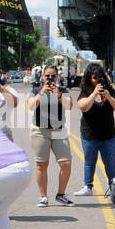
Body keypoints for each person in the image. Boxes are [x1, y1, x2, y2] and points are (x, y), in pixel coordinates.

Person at [27, 65, 74, 206]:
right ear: (42, 76)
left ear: (57, 77)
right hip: (40, 131)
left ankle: (61, 194)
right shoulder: (36, 90)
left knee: (66, 163)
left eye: (53, 76)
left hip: (58, 131)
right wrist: (41, 93)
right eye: (47, 76)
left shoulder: (63, 91)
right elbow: (30, 106)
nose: (49, 79)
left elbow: (69, 106)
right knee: (42, 164)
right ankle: (43, 196)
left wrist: (58, 93)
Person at [73, 63, 115, 196]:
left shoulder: (109, 90)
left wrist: (109, 96)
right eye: (95, 78)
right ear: (89, 78)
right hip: (90, 135)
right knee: (90, 162)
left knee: (110, 163)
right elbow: (83, 107)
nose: (98, 81)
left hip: (108, 135)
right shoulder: (86, 91)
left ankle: (113, 187)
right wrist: (94, 93)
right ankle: (87, 186)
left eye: (100, 78)